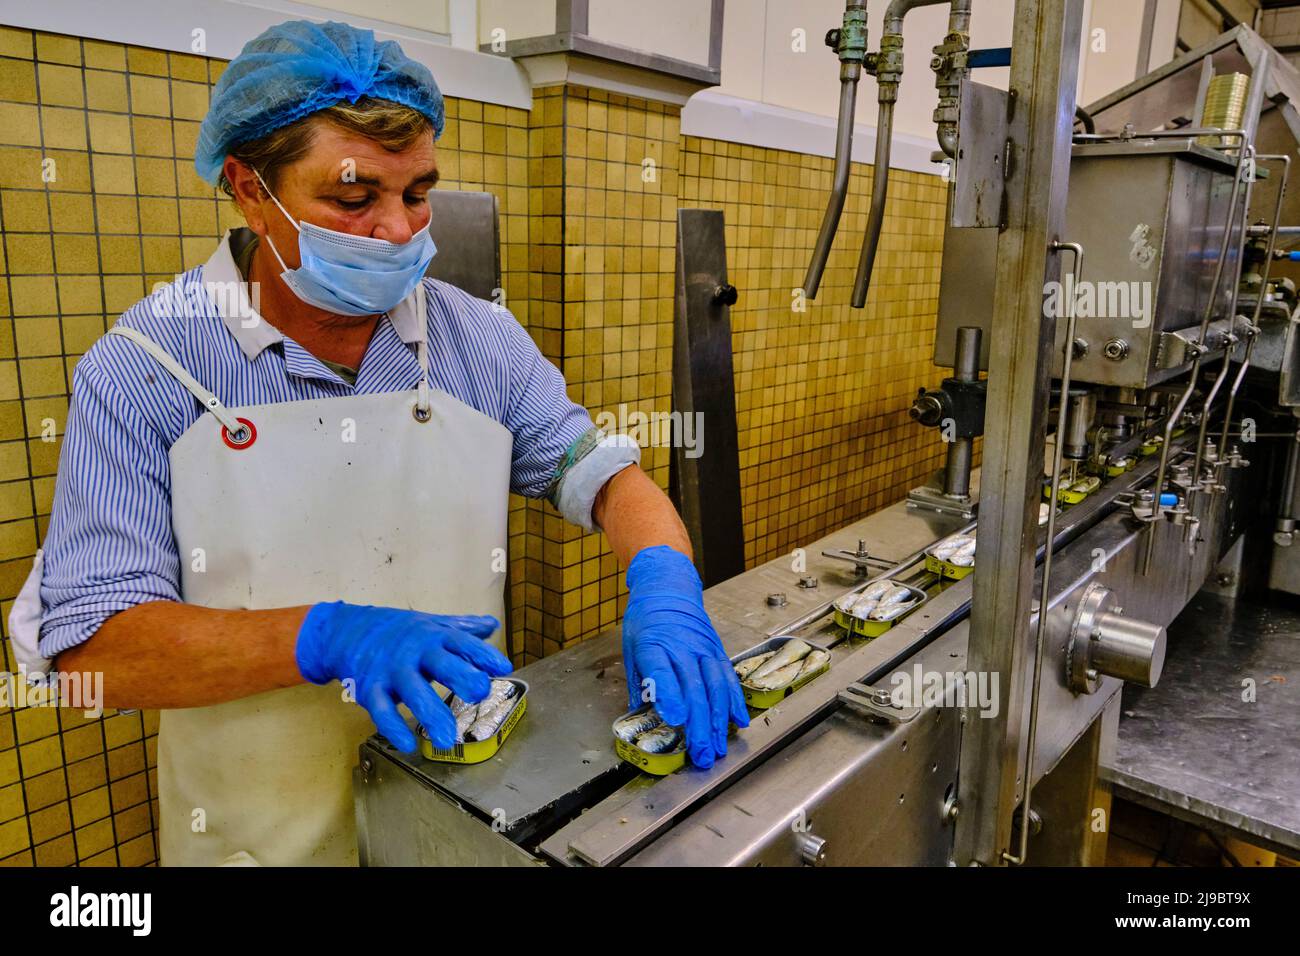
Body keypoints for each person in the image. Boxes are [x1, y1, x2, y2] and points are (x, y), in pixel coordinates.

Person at [8, 19, 748, 866]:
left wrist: (664, 574)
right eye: (354, 199)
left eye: (417, 193)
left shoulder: (476, 338)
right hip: (253, 833)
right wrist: (327, 637)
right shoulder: (147, 368)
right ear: (251, 189)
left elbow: (597, 472)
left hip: (459, 811)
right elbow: (94, 649)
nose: (399, 231)